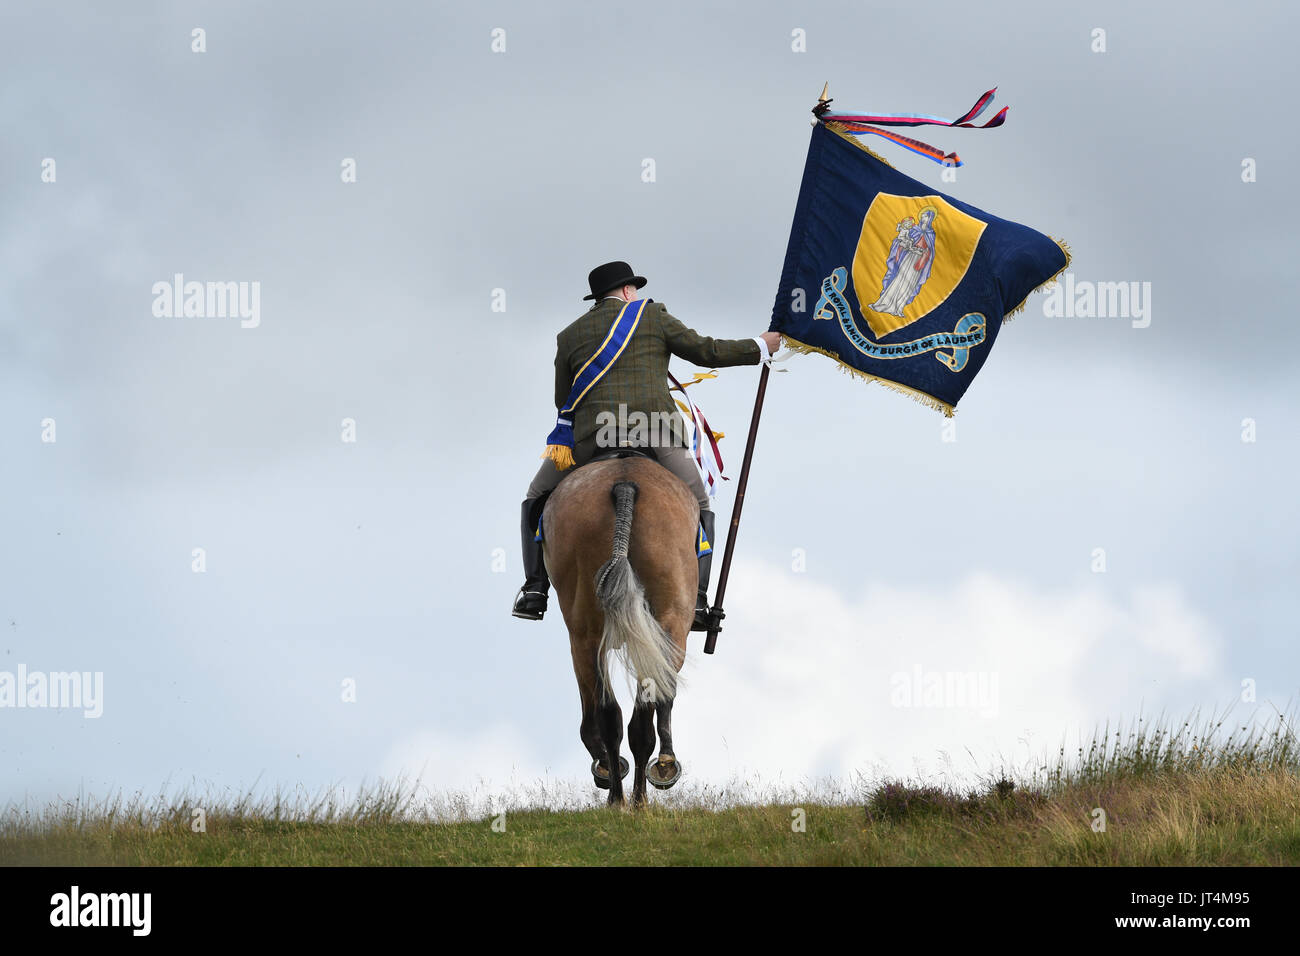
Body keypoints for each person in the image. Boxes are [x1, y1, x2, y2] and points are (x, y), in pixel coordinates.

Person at [513, 260, 781, 629]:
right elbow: (708, 352)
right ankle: (698, 601)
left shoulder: (569, 335)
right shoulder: (652, 316)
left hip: (591, 439)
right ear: (626, 292)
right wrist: (759, 346)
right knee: (699, 501)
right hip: (655, 433)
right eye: (633, 289)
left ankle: (535, 589)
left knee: (536, 494)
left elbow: (564, 401)